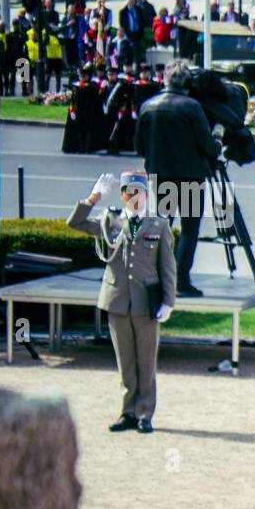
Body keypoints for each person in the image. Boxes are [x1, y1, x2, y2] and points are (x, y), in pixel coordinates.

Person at [67, 172, 176, 433]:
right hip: (117, 301)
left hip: (145, 302)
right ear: (123, 196)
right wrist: (94, 197)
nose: (134, 198)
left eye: (139, 193)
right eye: (129, 193)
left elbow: (168, 267)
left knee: (146, 362)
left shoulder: (158, 225)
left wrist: (168, 301)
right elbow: (75, 223)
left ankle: (144, 414)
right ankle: (127, 412)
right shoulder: (111, 220)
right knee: (125, 361)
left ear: (146, 196)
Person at [134, 58, 221, 297]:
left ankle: (156, 277)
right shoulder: (191, 107)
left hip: (161, 175)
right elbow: (208, 146)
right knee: (189, 230)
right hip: (190, 177)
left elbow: (138, 146)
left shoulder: (148, 105)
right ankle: (181, 280)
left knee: (163, 226)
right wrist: (218, 141)